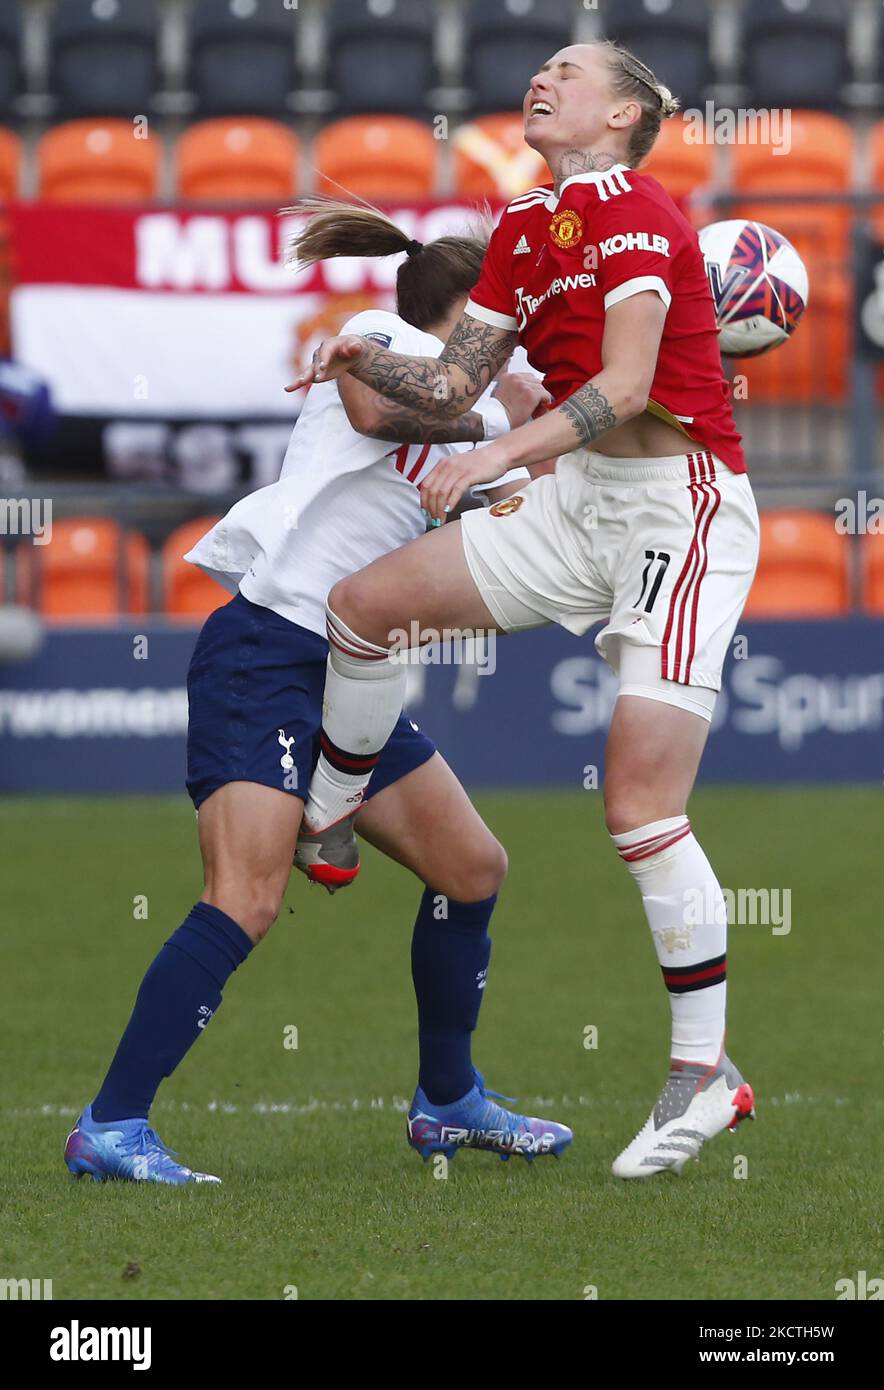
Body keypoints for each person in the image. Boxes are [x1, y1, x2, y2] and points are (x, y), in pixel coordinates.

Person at [284, 41, 761, 1181]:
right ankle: (336, 808)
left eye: (568, 68)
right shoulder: (520, 226)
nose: (540, 79)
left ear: (627, 112)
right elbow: (452, 385)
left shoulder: (633, 205)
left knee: (639, 803)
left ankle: (706, 1071)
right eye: (538, 66)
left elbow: (628, 387)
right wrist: (357, 356)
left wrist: (497, 449)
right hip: (577, 498)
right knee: (363, 606)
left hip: (675, 512)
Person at [63, 203, 571, 1185]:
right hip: (265, 654)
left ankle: (447, 1099)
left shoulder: (473, 408)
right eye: (504, 315)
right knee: (244, 899)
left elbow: (526, 498)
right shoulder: (383, 341)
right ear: (461, 315)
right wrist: (508, 417)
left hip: (353, 668)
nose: (514, 329)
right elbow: (380, 413)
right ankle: (113, 1124)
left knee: (471, 868)